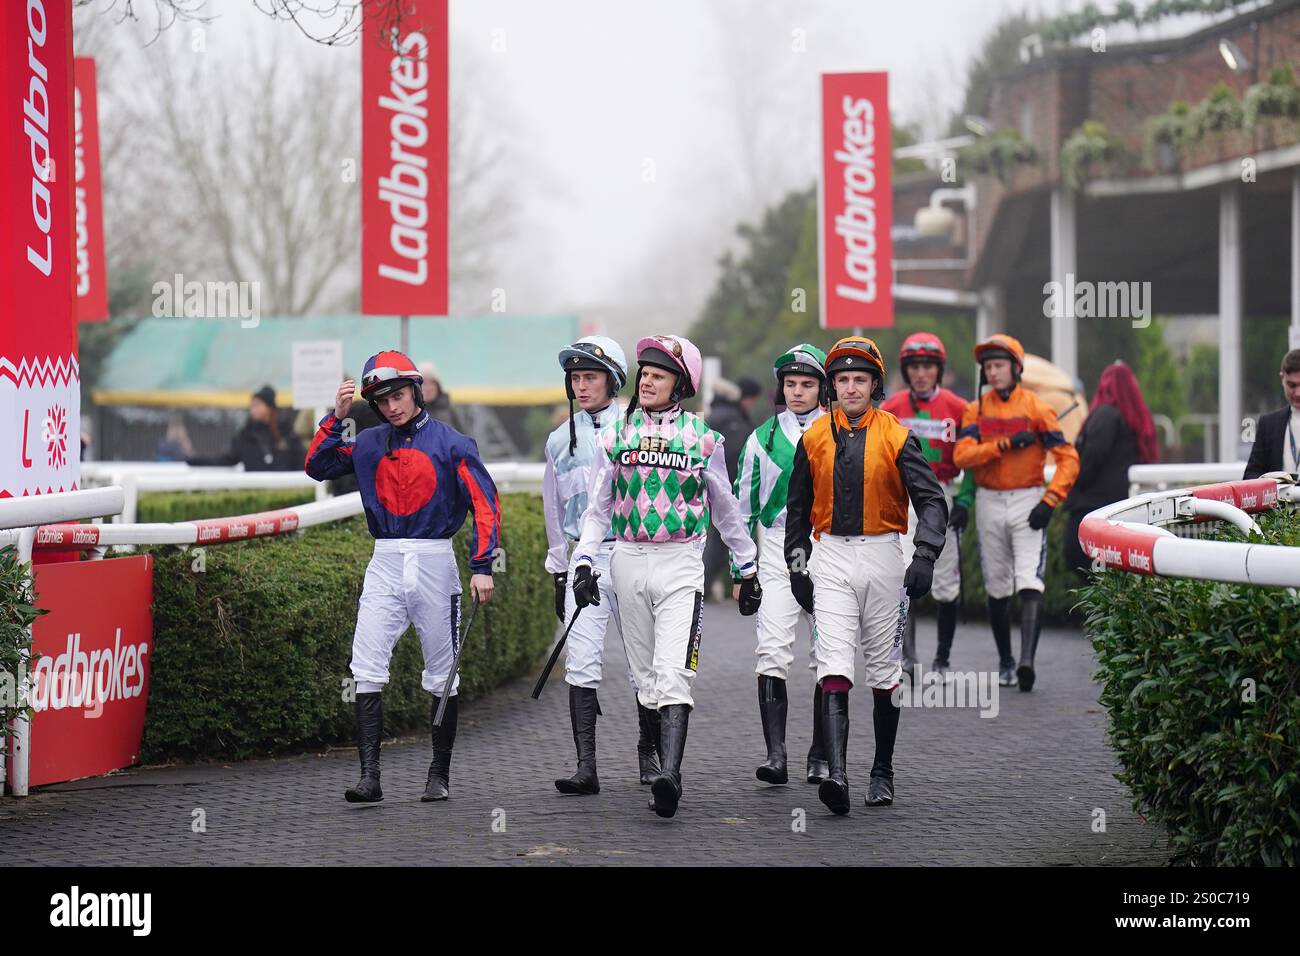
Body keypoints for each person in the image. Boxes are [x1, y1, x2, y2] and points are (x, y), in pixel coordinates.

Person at [572, 334, 761, 819]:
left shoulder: (705, 439)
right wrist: (585, 562)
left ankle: (669, 776)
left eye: (659, 374)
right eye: (645, 373)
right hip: (628, 560)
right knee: (645, 679)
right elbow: (598, 510)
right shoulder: (615, 438)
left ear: (682, 384)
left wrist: (747, 565)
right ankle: (657, 761)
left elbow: (726, 509)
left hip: (681, 563)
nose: (648, 380)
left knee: (675, 673)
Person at [304, 350, 501, 804]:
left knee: (442, 673)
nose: (392, 406)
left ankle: (439, 774)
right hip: (386, 561)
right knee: (366, 666)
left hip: (435, 561)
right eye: (382, 400)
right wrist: (335, 418)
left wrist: (482, 565)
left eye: (398, 395)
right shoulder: (368, 442)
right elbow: (317, 465)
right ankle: (369, 777)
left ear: (415, 390)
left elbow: (486, 504)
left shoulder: (454, 443)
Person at [785, 337, 948, 814]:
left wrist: (924, 555)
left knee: (883, 672)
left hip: (884, 555)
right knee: (833, 663)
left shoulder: (898, 436)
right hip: (829, 556)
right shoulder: (812, 439)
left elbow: (932, 501)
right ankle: (837, 775)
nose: (851, 388)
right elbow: (795, 512)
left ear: (875, 385)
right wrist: (798, 568)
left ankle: (882, 769)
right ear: (831, 387)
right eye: (842, 380)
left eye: (860, 379)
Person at [542, 335, 660, 794]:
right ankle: (586, 767)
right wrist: (559, 569)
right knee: (582, 661)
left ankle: (647, 758)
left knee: (642, 663)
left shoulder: (641, 428)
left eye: (590, 376)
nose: (581, 385)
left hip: (632, 553)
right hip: (583, 560)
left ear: (612, 381)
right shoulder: (556, 441)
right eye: (575, 378)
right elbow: (553, 508)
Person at [952, 334, 1079, 692]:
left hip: (1028, 500)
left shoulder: (1038, 409)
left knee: (1028, 580)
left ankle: (1026, 662)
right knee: (996, 585)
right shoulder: (975, 409)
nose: (992, 373)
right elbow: (962, 457)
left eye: (999, 366)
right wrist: (1004, 445)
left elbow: (1069, 459)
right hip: (990, 501)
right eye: (987, 367)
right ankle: (1005, 661)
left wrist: (1050, 501)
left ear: (1016, 369)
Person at [733, 344, 829, 786]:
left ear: (821, 388)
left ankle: (821, 752)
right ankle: (776, 755)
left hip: (827, 548)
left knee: (827, 656)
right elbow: (741, 510)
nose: (797, 392)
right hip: (775, 551)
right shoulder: (761, 440)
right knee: (772, 649)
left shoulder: (839, 433)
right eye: (791, 384)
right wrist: (742, 572)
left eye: (807, 384)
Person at [880, 333, 976, 678]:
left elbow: (974, 462)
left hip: (944, 497)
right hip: (903, 500)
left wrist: (964, 500)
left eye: (928, 367)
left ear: (939, 370)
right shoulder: (891, 409)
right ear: (906, 371)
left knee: (947, 585)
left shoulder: (959, 409)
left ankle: (943, 659)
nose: (921, 374)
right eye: (915, 367)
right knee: (904, 575)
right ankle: (908, 657)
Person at [1063, 361, 1158, 574]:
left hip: (1092, 509)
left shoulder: (1104, 415)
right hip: (1124, 508)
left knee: (1081, 563)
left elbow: (1091, 458)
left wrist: (1070, 480)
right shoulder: (1139, 420)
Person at [702, 376, 761, 600]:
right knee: (723, 539)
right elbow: (737, 456)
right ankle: (710, 587)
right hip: (729, 488)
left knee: (718, 539)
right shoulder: (733, 420)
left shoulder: (717, 414)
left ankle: (707, 587)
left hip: (716, 487)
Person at [189, 385, 304, 471]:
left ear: (269, 407)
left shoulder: (286, 433)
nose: (253, 409)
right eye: (252, 405)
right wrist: (195, 460)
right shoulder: (247, 434)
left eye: (258, 404)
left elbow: (300, 461)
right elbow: (227, 459)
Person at [1243, 348, 1300, 479]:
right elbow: (1250, 476)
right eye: (1292, 385)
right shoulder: (1268, 424)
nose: (1298, 393)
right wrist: (1272, 484)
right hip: (1281, 499)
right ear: (1282, 378)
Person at [418, 361, 464, 432]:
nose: (428, 389)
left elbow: (463, 438)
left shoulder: (450, 411)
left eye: (432, 383)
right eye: (424, 384)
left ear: (438, 386)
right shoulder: (412, 412)